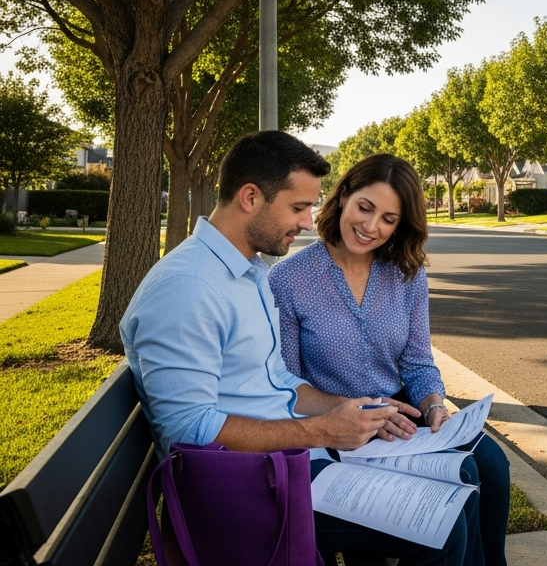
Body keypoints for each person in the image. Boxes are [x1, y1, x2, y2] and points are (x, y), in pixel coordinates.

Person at [121, 131, 482, 565]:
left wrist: (352, 409)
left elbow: (281, 383)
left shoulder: (243, 272)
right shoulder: (187, 288)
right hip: (244, 487)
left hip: (287, 461)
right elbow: (187, 429)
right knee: (440, 525)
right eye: (297, 207)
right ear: (251, 197)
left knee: (463, 481)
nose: (309, 222)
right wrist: (322, 431)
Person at [269, 153, 509, 566]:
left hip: (402, 415)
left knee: (493, 466)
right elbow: (288, 386)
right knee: (453, 493)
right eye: (365, 208)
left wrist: (433, 402)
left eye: (388, 219)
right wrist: (352, 413)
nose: (371, 227)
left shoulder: (407, 273)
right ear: (343, 196)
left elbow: (418, 361)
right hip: (337, 427)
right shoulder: (289, 280)